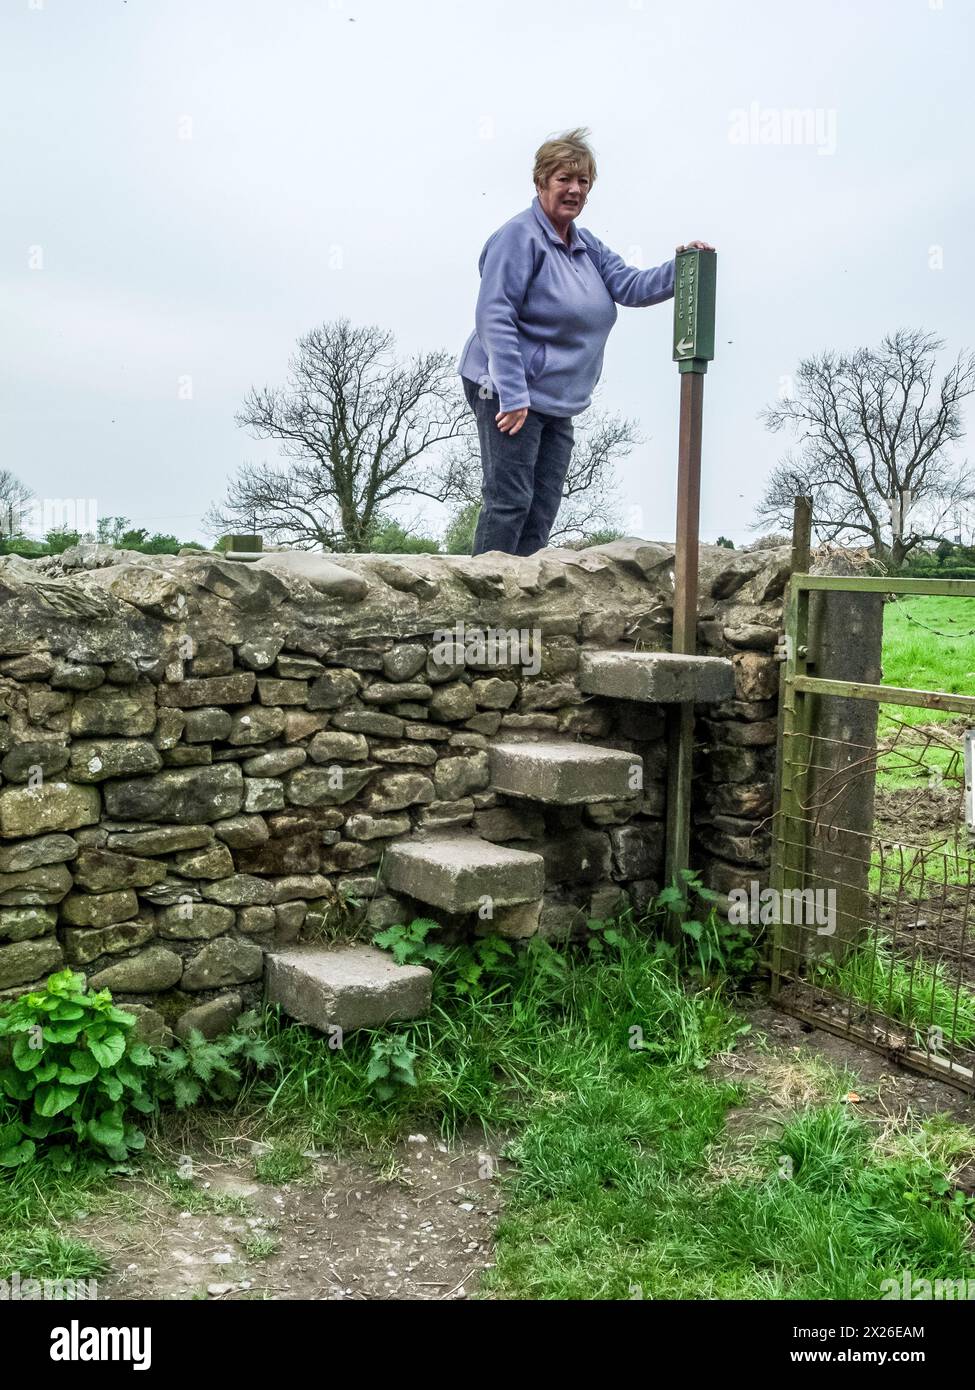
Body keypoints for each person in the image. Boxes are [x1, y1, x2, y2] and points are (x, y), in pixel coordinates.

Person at [458, 127, 714, 557]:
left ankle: (520, 601)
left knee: (541, 510)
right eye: (564, 179)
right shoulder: (518, 238)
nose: (574, 190)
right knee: (509, 503)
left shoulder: (586, 244)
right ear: (541, 183)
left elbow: (631, 286)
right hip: (506, 388)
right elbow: (494, 315)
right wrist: (513, 393)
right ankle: (482, 608)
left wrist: (683, 267)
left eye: (583, 182)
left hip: (559, 398)